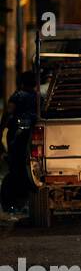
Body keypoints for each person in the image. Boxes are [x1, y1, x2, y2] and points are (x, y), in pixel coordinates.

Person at [0, 70, 39, 215]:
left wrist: (1, 129)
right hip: (33, 138)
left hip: (17, 138)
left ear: (22, 83)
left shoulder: (17, 96)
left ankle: (15, 203)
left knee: (16, 169)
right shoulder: (38, 97)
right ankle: (27, 202)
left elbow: (8, 113)